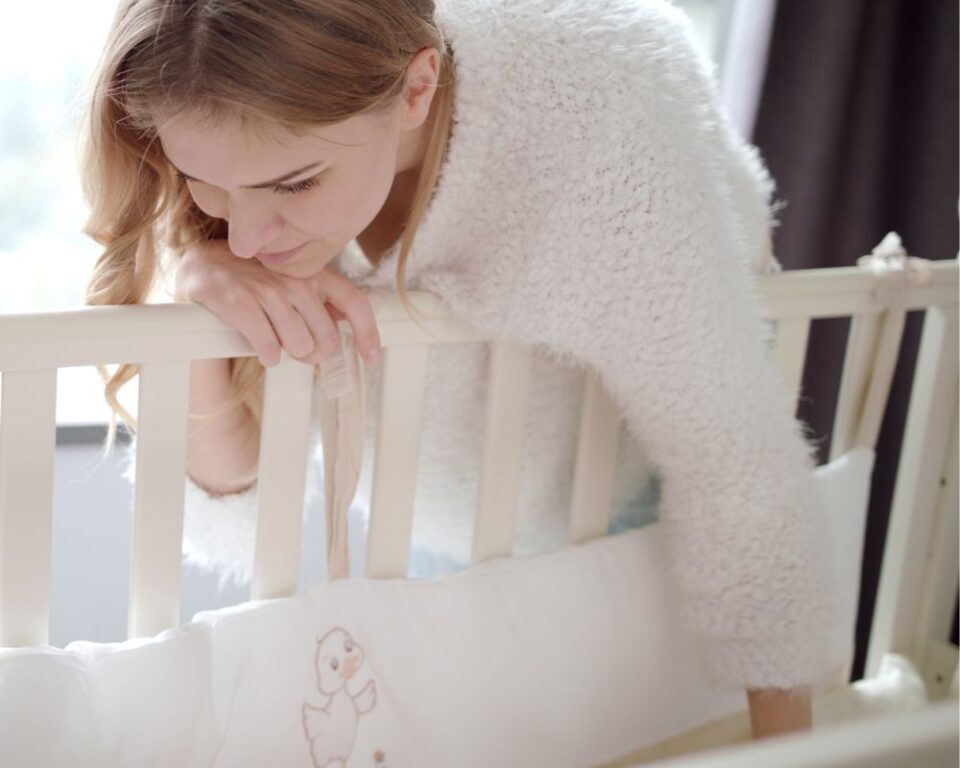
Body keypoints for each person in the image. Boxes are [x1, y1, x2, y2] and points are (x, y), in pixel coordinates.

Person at [82, 0, 842, 739]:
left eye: (292, 184)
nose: (246, 236)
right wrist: (199, 284)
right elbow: (238, 480)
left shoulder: (604, 121)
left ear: (419, 88)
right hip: (433, 544)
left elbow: (736, 460)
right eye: (204, 180)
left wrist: (799, 750)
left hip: (640, 541)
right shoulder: (247, 180)